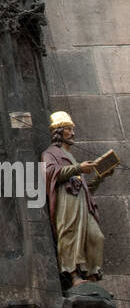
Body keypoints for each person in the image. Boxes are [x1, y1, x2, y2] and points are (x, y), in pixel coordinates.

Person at [41, 110, 108, 287]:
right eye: (69, 129)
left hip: (81, 202)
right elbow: (49, 173)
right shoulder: (50, 153)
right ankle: (73, 275)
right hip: (66, 201)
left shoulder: (71, 157)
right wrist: (78, 168)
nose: (73, 133)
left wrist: (101, 176)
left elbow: (86, 189)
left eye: (72, 129)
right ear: (58, 132)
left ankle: (92, 276)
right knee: (69, 234)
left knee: (96, 236)